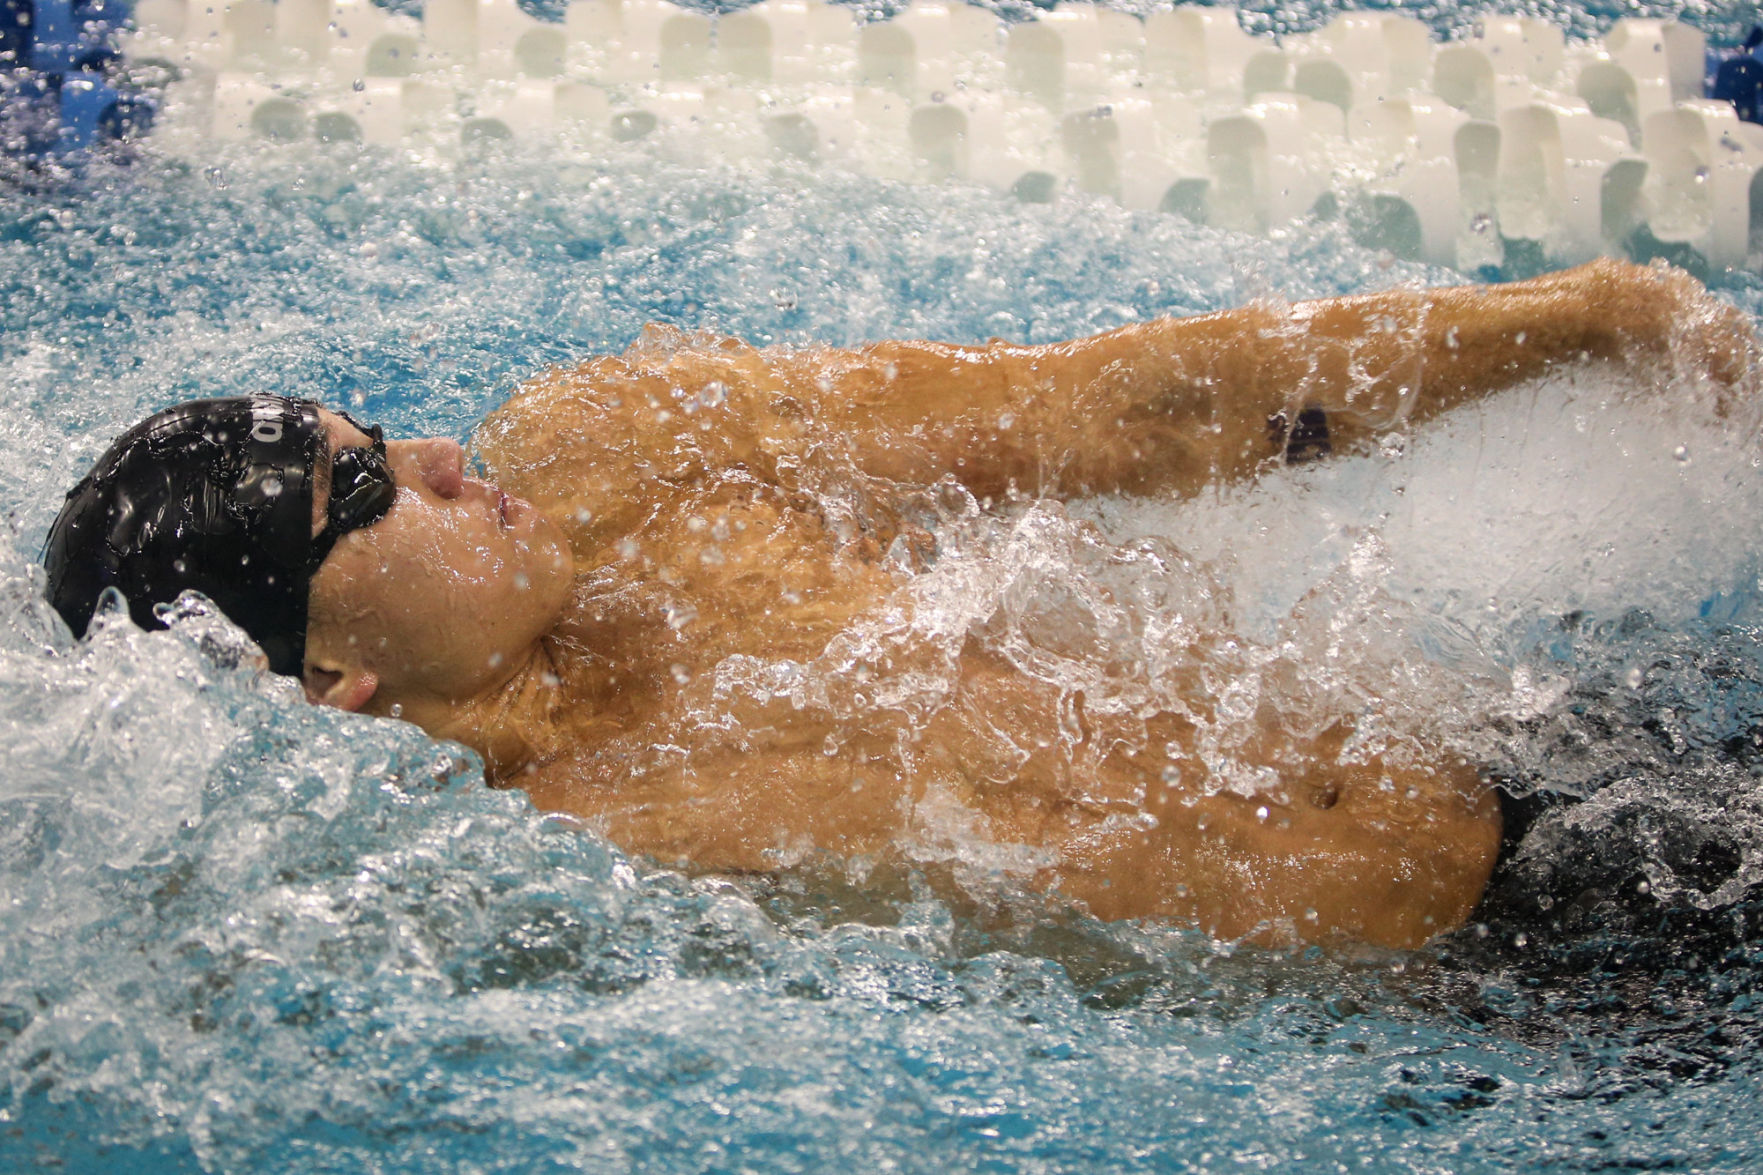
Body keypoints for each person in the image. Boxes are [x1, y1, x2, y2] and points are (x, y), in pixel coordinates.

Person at [42, 258, 1758, 950]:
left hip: (1580, 777)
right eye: (367, 496)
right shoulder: (527, 873)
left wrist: (1584, 315)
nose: (434, 454)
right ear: (331, 680)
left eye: (374, 435)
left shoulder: (636, 452)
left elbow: (1130, 416)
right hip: (1493, 997)